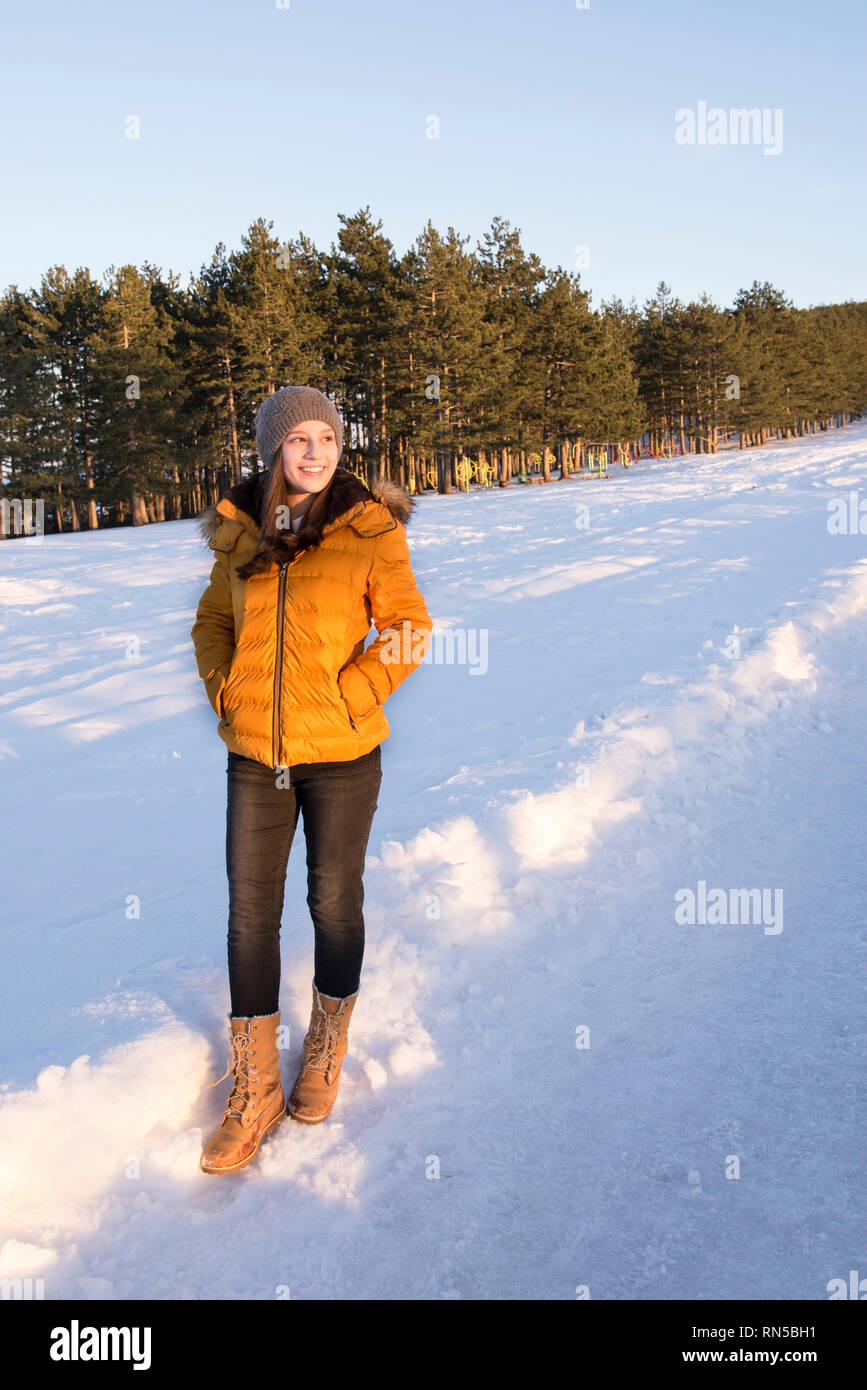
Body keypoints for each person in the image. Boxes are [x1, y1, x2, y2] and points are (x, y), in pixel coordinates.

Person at [190, 384, 433, 1175]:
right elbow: (212, 621)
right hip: (256, 751)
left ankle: (326, 1044)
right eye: (298, 440)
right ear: (273, 452)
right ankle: (255, 1082)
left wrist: (352, 693)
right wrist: (224, 687)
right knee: (249, 915)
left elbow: (407, 629)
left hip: (342, 751)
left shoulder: (368, 528)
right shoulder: (239, 533)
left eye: (326, 438)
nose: (315, 452)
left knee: (333, 900)